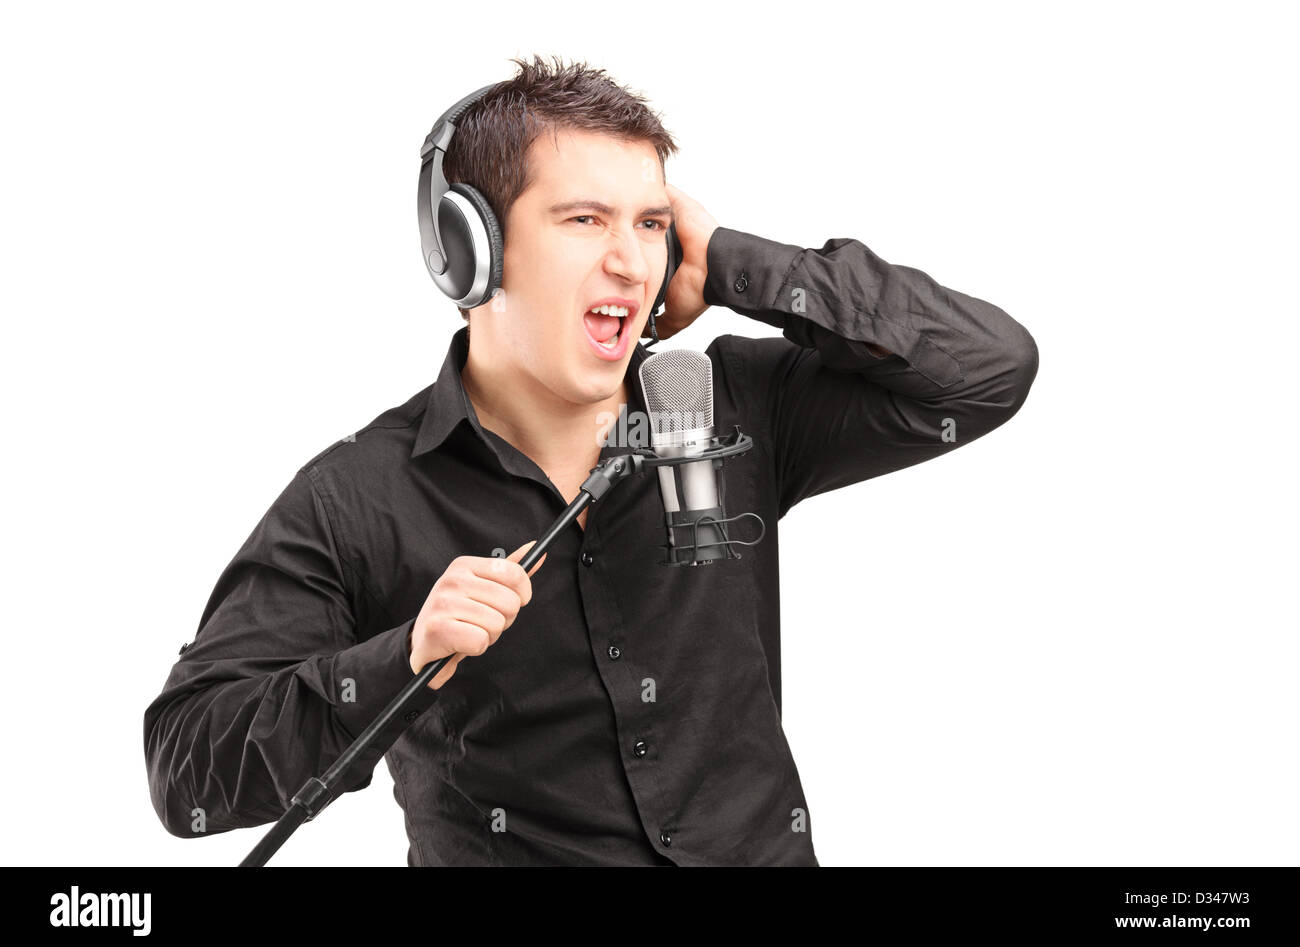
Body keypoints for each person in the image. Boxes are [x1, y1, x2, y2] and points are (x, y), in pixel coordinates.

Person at [143, 54, 1039, 866]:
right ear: (470, 251)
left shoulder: (734, 406)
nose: (630, 261)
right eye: (584, 219)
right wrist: (399, 657)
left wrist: (729, 262)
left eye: (651, 224)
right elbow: (185, 773)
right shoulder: (358, 499)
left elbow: (987, 370)